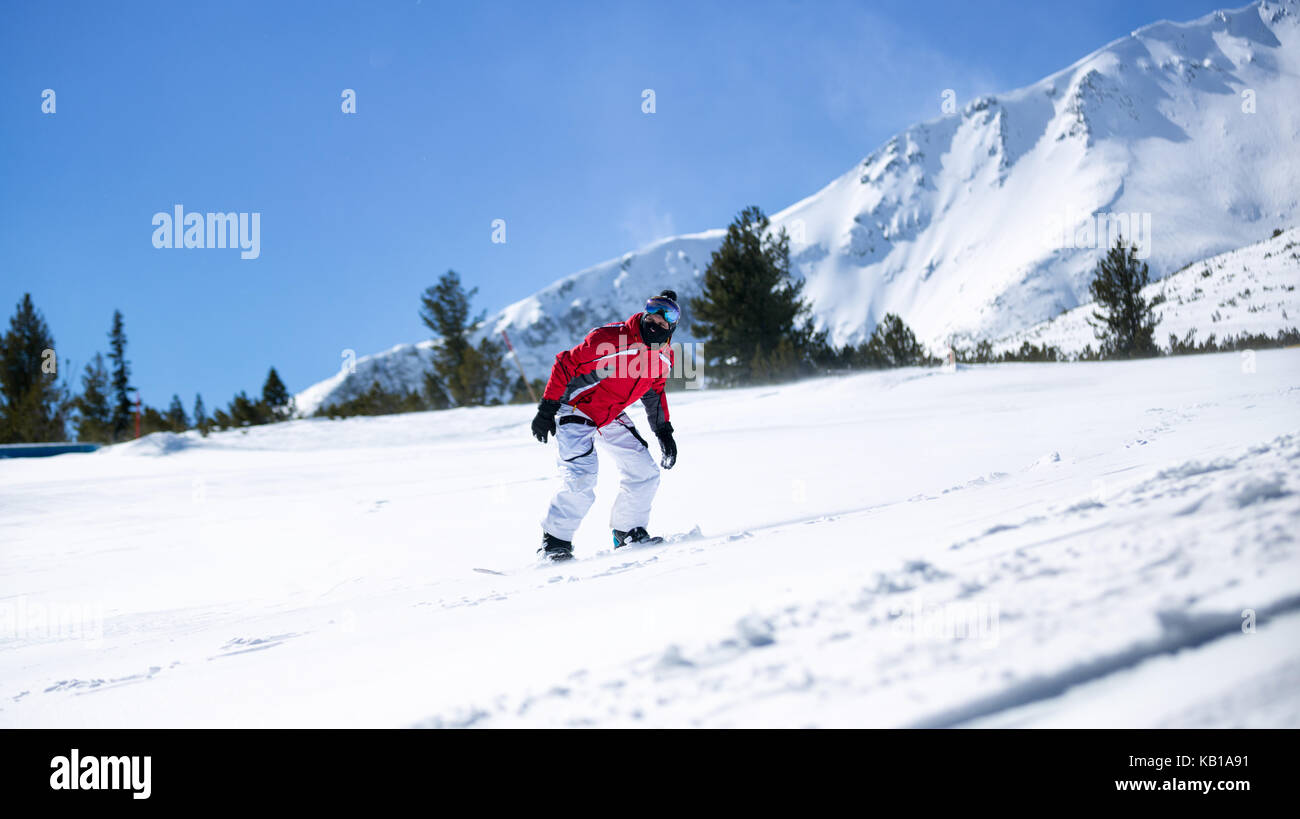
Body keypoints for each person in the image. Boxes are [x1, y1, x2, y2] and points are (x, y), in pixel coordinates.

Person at [530, 290, 680, 561]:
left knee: (644, 472)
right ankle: (554, 544)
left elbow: (654, 391)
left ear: (671, 329)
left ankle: (628, 533)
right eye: (652, 318)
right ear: (645, 315)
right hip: (577, 408)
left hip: (609, 415)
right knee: (582, 476)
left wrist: (663, 431)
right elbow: (565, 363)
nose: (655, 326)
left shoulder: (664, 358)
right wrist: (547, 407)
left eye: (663, 324)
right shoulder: (612, 339)